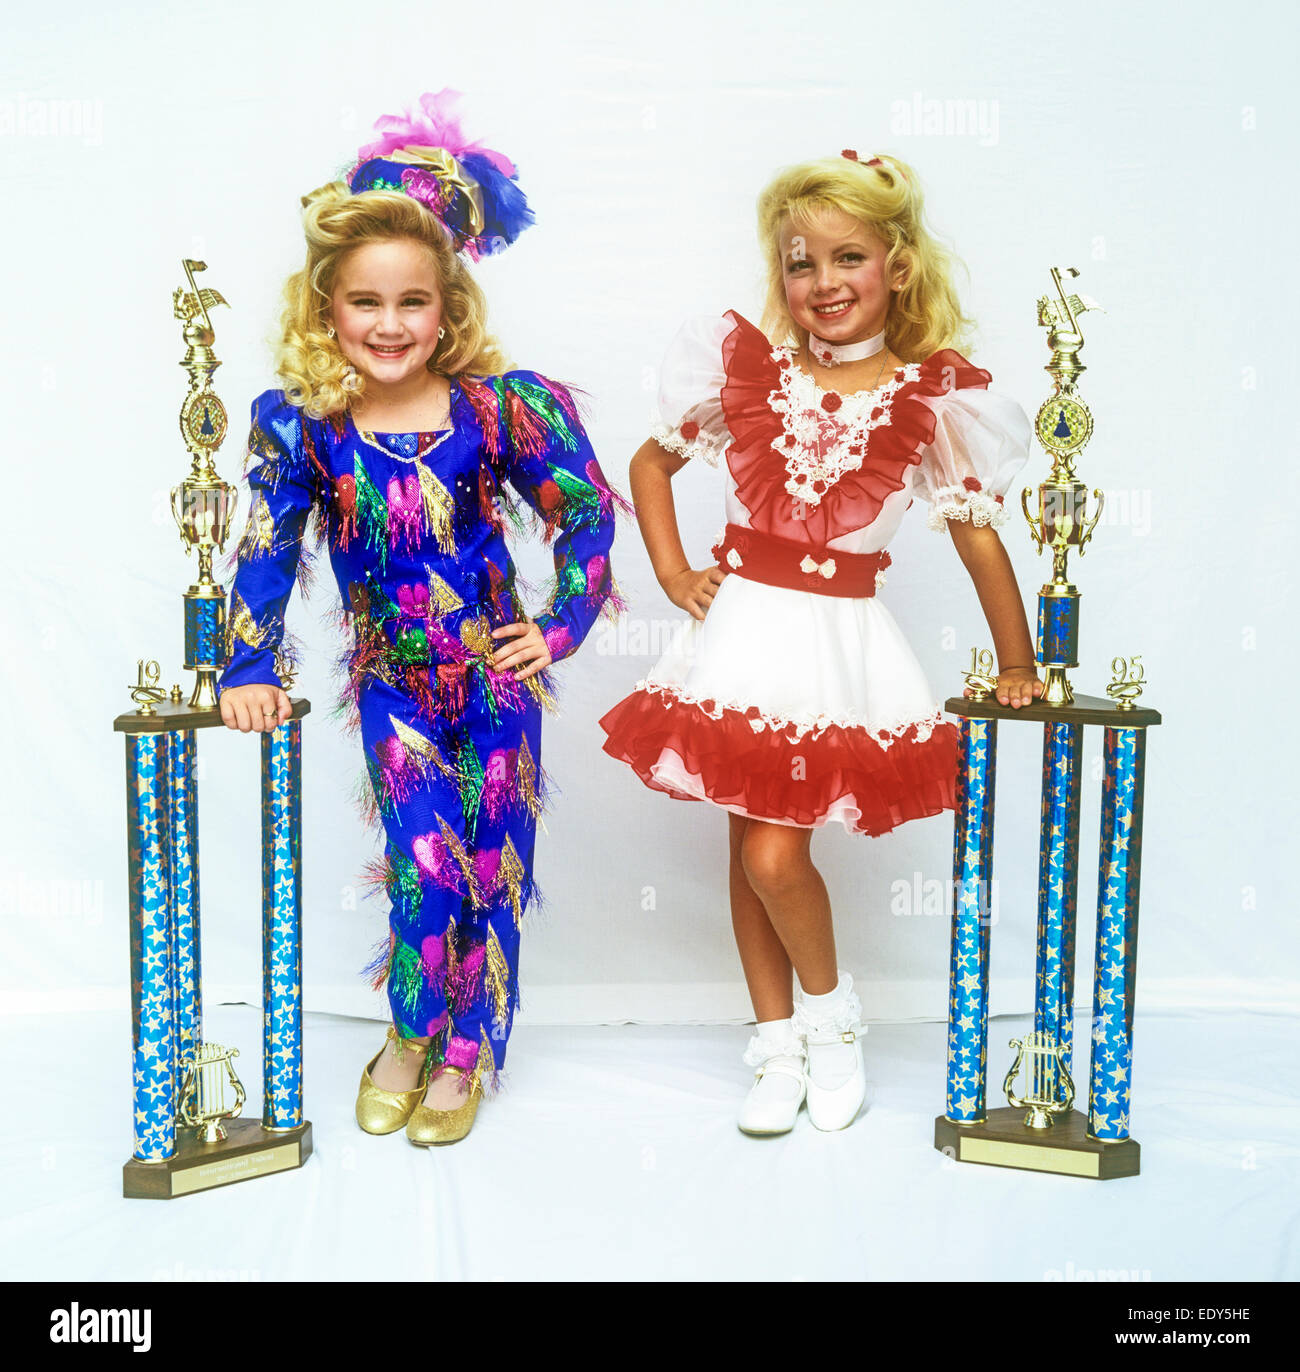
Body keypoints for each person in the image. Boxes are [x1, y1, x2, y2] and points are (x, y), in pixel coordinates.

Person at [599, 150, 1040, 1136]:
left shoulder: (930, 401)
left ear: (897, 265)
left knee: (772, 851)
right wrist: (674, 574)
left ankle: (832, 1017)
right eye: (800, 263)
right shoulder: (757, 380)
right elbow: (648, 460)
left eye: (848, 257)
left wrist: (1017, 661)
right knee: (744, 841)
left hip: (837, 645)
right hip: (742, 633)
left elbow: (977, 539)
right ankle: (776, 1043)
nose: (823, 281)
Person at [218, 90, 622, 1146]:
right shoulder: (303, 427)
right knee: (426, 867)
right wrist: (247, 666)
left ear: (450, 307)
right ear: (326, 309)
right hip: (395, 682)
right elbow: (265, 554)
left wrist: (561, 623)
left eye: (412, 302)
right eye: (365, 302)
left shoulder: (500, 408)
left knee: (494, 866)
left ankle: (467, 1046)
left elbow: (583, 511)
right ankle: (408, 1028)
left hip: (497, 678)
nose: (389, 325)